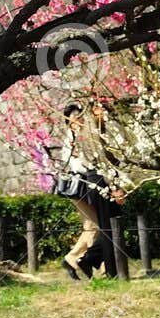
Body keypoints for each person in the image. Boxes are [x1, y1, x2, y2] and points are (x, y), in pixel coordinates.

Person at [54, 101, 115, 281]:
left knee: (92, 225)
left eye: (81, 117)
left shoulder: (84, 136)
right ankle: (78, 259)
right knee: (93, 225)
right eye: (74, 118)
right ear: (68, 122)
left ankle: (79, 260)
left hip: (85, 187)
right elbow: (77, 165)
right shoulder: (72, 140)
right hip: (77, 187)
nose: (78, 121)